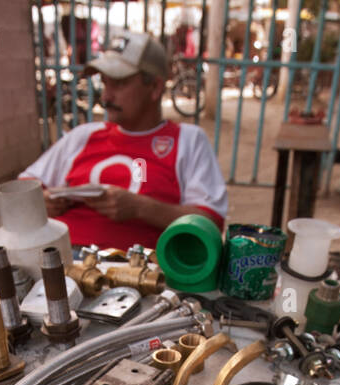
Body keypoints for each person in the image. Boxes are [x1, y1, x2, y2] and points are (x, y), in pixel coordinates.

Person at [21, 31, 228, 249]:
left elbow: (210, 223)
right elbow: (23, 188)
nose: (106, 97)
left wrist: (141, 208)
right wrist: (41, 201)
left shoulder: (187, 140)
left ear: (155, 87)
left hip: (141, 272)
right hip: (59, 262)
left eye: (119, 84)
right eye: (105, 83)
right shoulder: (83, 135)